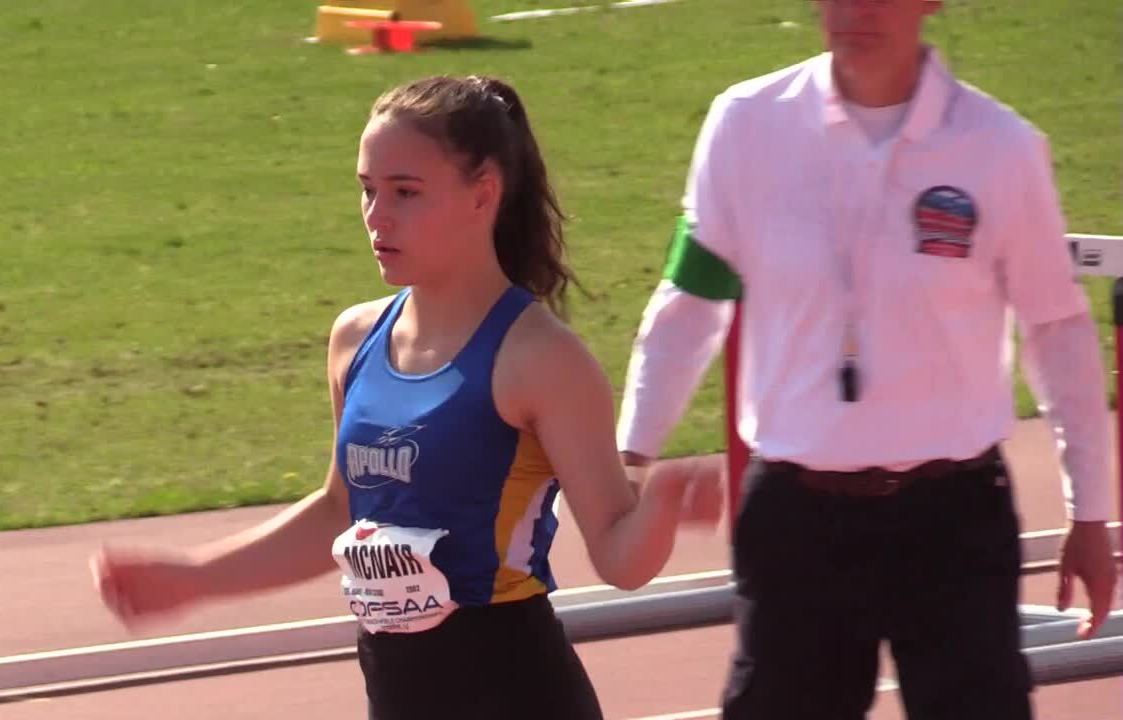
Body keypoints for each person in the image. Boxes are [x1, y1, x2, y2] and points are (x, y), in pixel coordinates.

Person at [90, 74, 721, 720]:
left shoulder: (540, 359)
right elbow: (338, 511)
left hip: (514, 694)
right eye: (368, 189)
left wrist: (664, 504)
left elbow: (619, 557)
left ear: (483, 194)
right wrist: (193, 578)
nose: (377, 216)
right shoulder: (355, 339)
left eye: (406, 192)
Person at [615, 2, 1118, 719]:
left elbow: (1057, 330)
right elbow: (690, 301)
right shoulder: (746, 124)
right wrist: (631, 459)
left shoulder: (1000, 147)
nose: (855, 7)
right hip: (796, 521)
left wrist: (1090, 514)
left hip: (954, 523)